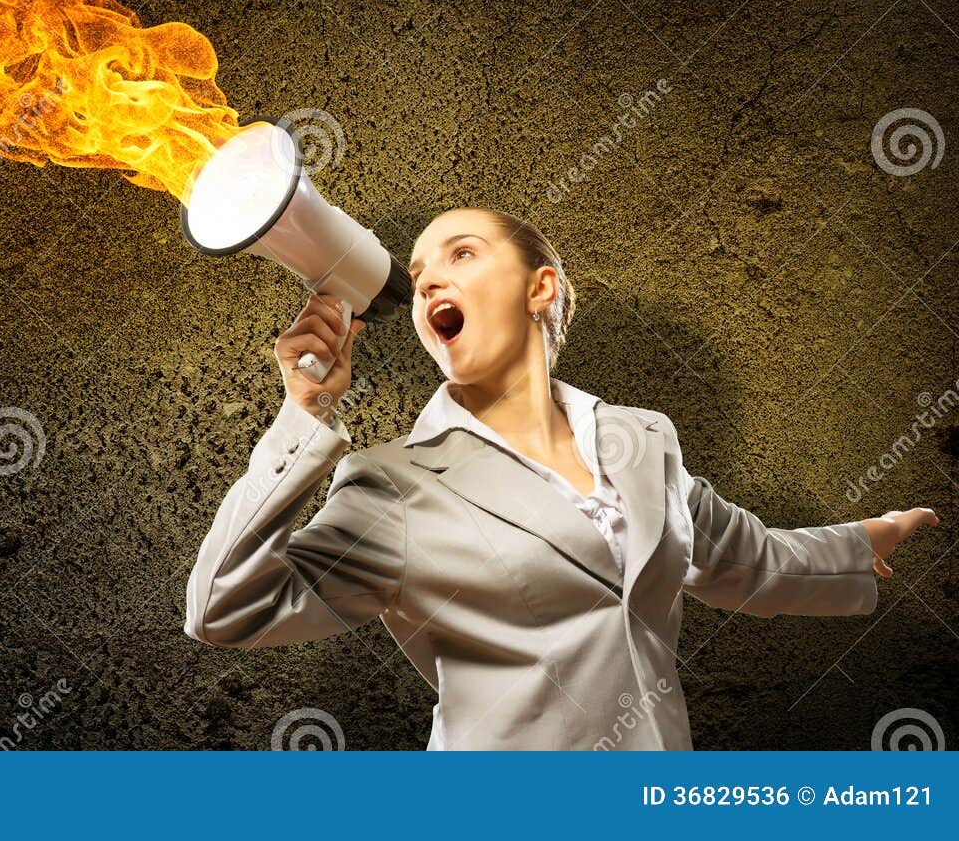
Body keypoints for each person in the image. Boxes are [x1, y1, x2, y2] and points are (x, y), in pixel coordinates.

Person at [183, 206, 939, 750]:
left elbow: (741, 559)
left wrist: (862, 542)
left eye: (461, 254)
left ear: (539, 287)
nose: (429, 281)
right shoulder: (394, 484)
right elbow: (225, 607)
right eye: (417, 275)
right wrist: (304, 415)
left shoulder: (643, 443)